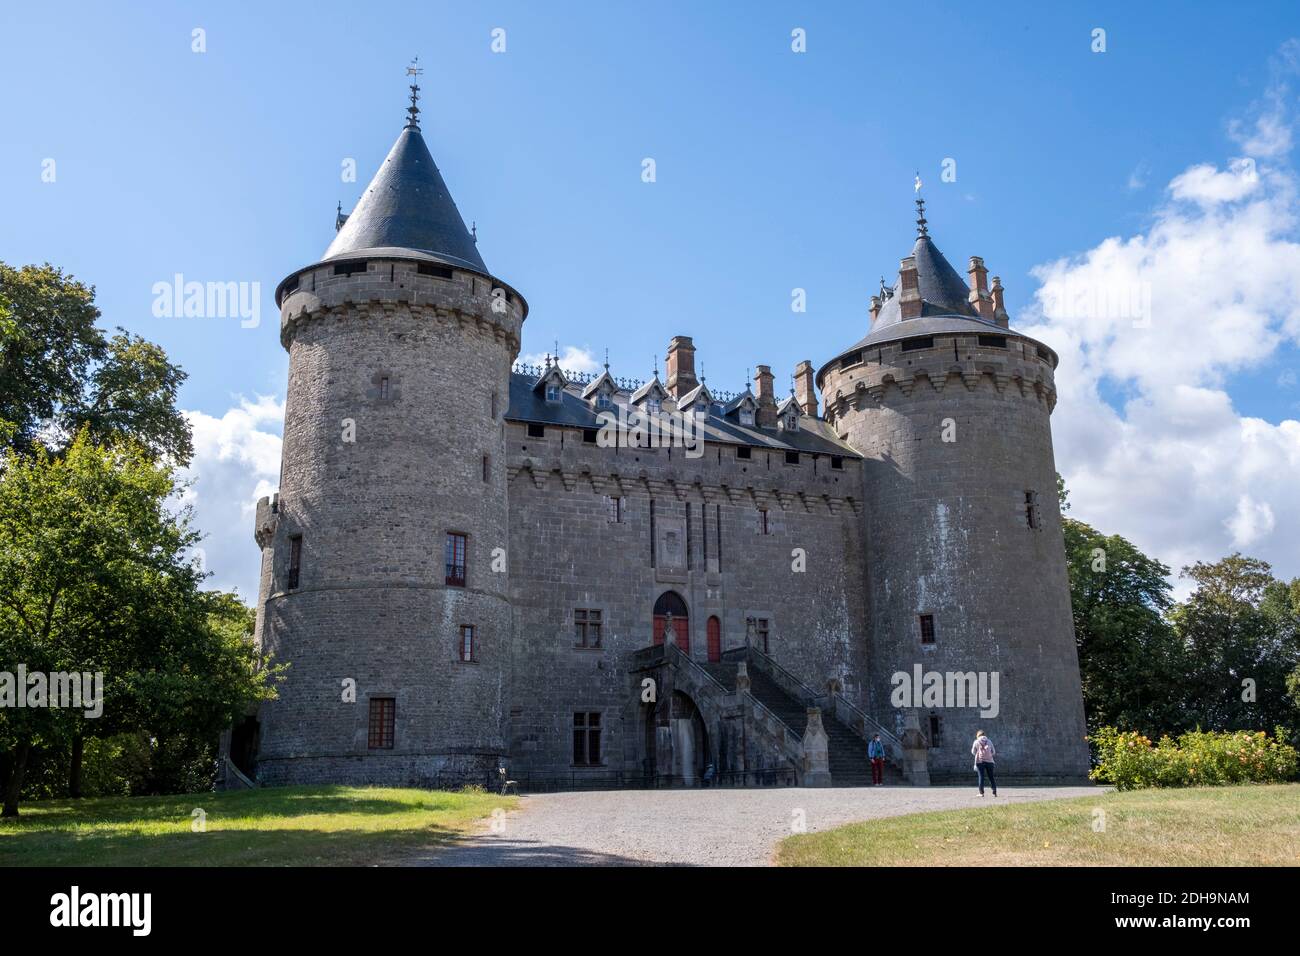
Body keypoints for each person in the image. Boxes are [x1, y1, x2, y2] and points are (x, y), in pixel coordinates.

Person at [971, 730, 997, 797]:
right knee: (991, 776)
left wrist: (978, 753)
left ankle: (981, 793)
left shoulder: (976, 741)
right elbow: (993, 752)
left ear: (978, 735)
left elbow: (973, 752)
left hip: (980, 761)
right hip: (990, 761)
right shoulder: (989, 741)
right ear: (984, 735)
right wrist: (988, 755)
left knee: (981, 777)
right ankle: (994, 791)